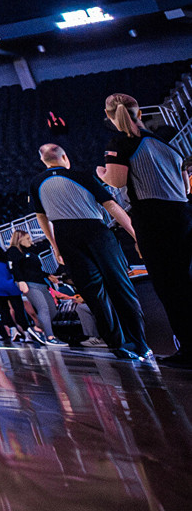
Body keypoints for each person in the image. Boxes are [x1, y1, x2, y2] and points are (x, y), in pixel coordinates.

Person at [33, 143, 151, 363]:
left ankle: (119, 345)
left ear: (43, 161)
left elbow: (42, 218)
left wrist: (55, 246)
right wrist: (136, 236)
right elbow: (112, 206)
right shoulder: (81, 176)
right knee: (121, 286)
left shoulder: (36, 183)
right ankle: (141, 344)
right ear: (65, 157)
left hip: (66, 237)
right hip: (96, 232)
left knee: (96, 295)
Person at [101, 93, 192, 364]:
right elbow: (186, 186)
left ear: (109, 116)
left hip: (153, 218)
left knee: (169, 288)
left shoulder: (121, 143)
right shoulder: (165, 142)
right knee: (185, 281)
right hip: (183, 214)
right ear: (139, 112)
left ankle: (188, 350)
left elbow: (117, 183)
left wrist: (100, 174)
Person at [6, 228, 56, 344]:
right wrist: (20, 281)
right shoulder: (14, 251)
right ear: (20, 239)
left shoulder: (31, 251)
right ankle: (50, 337)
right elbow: (14, 268)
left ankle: (37, 328)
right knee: (43, 308)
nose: (30, 241)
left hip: (41, 283)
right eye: (27, 238)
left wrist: (47, 275)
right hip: (30, 284)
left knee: (52, 310)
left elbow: (35, 268)